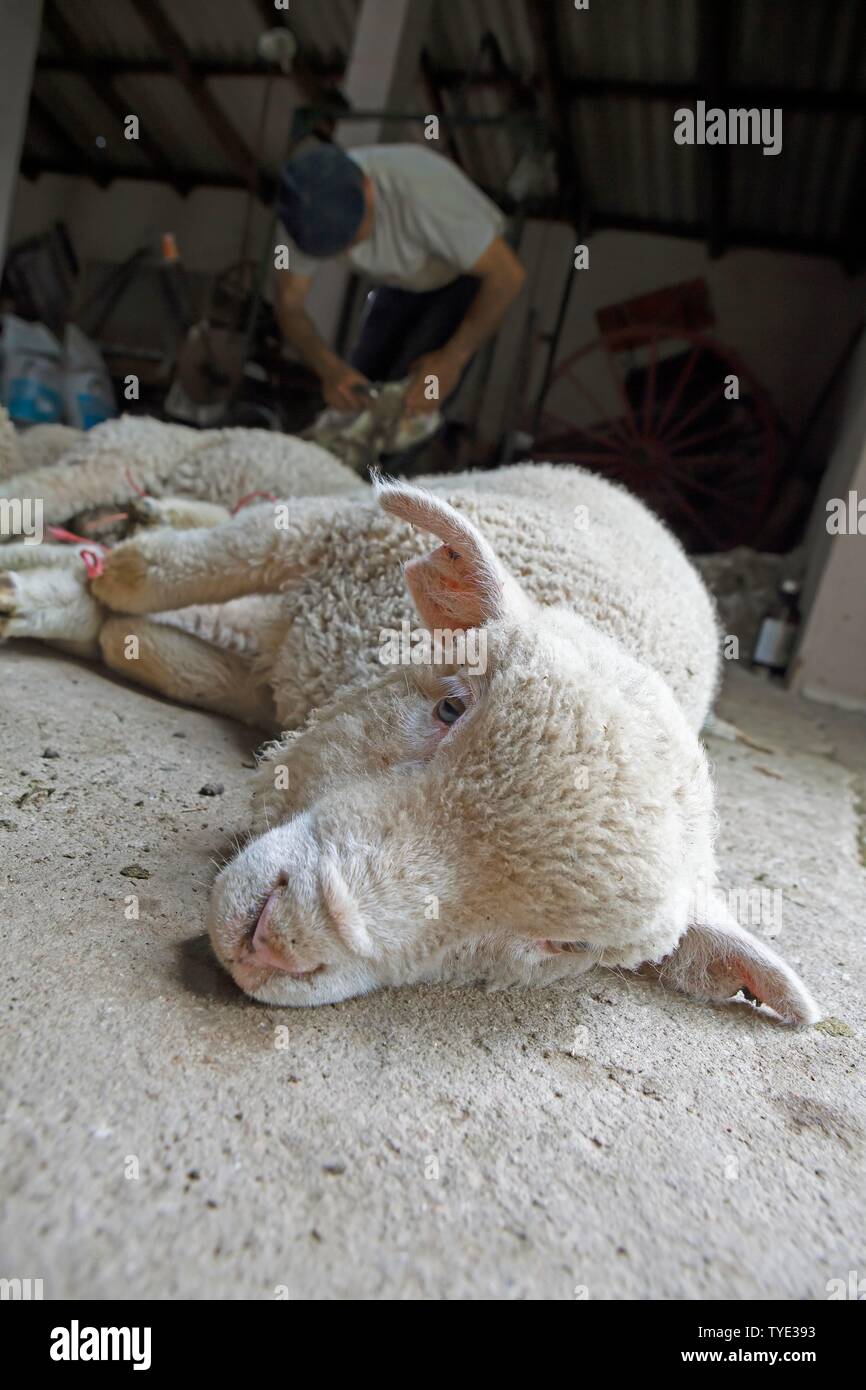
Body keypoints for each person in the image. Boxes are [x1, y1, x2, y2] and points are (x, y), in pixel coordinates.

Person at [273, 143, 525, 417]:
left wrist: (453, 359)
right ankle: (352, 456)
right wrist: (329, 369)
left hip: (467, 272)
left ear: (368, 189)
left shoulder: (424, 191)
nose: (347, 252)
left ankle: (393, 455)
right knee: (360, 394)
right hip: (403, 279)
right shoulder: (299, 216)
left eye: (351, 239)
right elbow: (289, 307)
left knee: (418, 398)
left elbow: (508, 276)